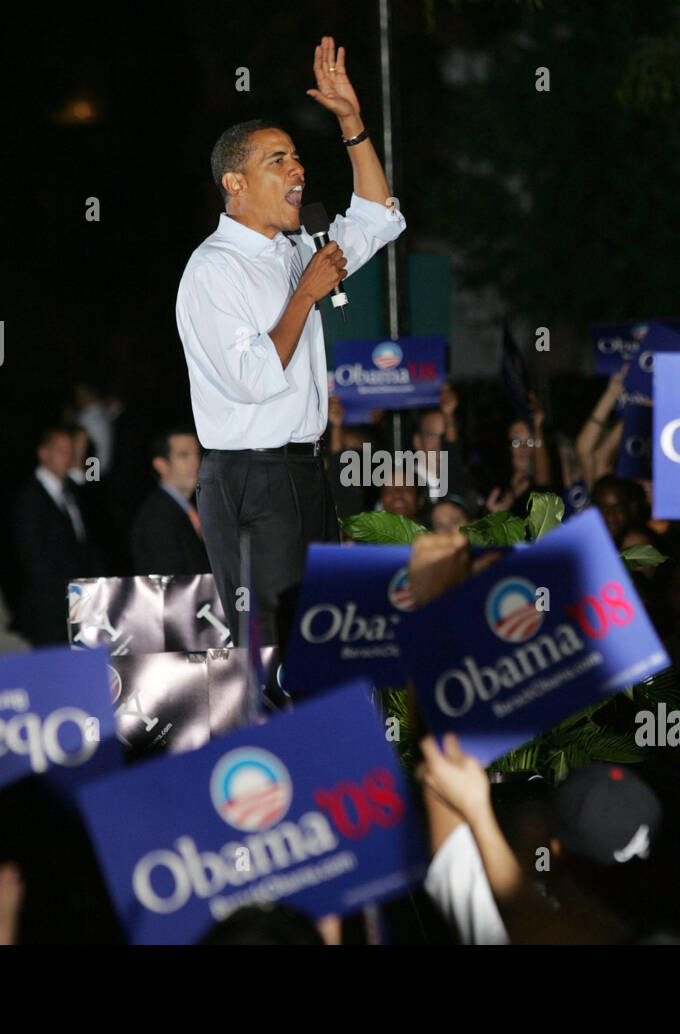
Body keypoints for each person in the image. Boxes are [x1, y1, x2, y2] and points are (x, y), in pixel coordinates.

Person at [175, 36, 405, 644]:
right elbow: (251, 379)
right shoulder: (212, 269)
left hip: (307, 472)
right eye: (278, 160)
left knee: (325, 649)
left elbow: (379, 216)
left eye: (297, 157)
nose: (298, 169)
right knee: (274, 656)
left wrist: (351, 122)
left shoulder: (295, 251)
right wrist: (306, 293)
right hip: (250, 480)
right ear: (236, 183)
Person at [10, 426, 104, 645]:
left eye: (70, 451)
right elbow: (33, 556)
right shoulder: (30, 498)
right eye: (62, 451)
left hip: (79, 601)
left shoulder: (72, 492)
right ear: (44, 454)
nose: (68, 457)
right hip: (49, 607)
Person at [131, 429, 211, 577]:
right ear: (161, 465)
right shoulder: (157, 518)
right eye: (184, 455)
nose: (195, 462)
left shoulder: (189, 508)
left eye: (197, 454)